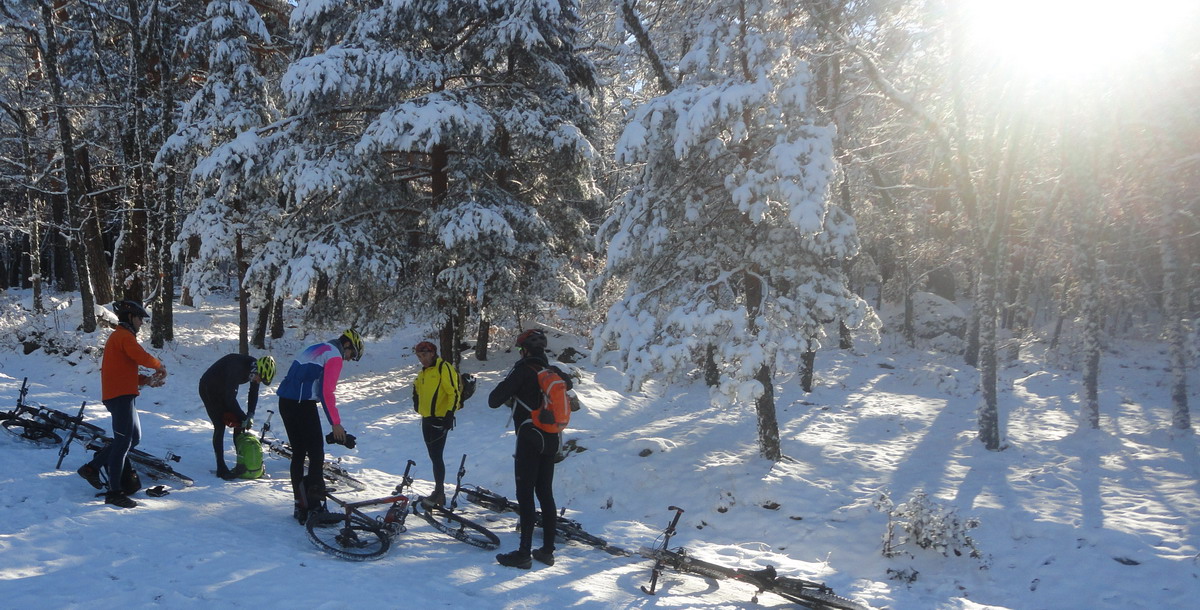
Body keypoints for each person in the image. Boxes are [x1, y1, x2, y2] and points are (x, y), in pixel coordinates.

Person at [488, 328, 572, 569]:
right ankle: (547, 551)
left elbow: (493, 400)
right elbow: (568, 386)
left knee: (525, 494)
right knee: (545, 493)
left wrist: (512, 388)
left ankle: (523, 554)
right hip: (552, 438)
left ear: (524, 350)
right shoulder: (553, 372)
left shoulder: (523, 370)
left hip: (529, 437)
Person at [77, 300, 168, 509]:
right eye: (140, 318)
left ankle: (91, 468)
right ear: (130, 317)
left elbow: (122, 371)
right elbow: (141, 356)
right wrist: (159, 365)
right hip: (119, 396)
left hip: (123, 395)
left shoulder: (121, 338)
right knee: (123, 442)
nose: (141, 323)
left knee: (132, 439)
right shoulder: (123, 336)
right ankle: (114, 493)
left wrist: (146, 380)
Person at [275, 329, 363, 524]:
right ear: (347, 345)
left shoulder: (317, 348)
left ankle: (300, 506)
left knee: (299, 453)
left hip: (286, 402)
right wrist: (336, 424)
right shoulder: (334, 355)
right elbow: (326, 392)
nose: (349, 359)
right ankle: (315, 508)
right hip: (302, 404)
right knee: (316, 454)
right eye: (352, 354)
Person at [199, 353, 276, 480]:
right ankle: (221, 468)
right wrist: (244, 417)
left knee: (239, 423)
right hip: (208, 387)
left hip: (224, 389)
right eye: (260, 379)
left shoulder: (256, 370)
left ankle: (242, 461)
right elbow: (230, 399)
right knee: (220, 425)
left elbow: (253, 392)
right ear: (256, 370)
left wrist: (250, 414)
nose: (258, 382)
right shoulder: (237, 368)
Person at [411, 340, 462, 509]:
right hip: (427, 418)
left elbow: (453, 392)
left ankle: (439, 492)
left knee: (437, 456)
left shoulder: (443, 368)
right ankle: (438, 493)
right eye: (419, 356)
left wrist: (450, 413)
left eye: (424, 355)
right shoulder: (424, 372)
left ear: (432, 353)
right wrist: (415, 397)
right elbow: (417, 386)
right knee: (433, 456)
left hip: (440, 419)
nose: (422, 359)